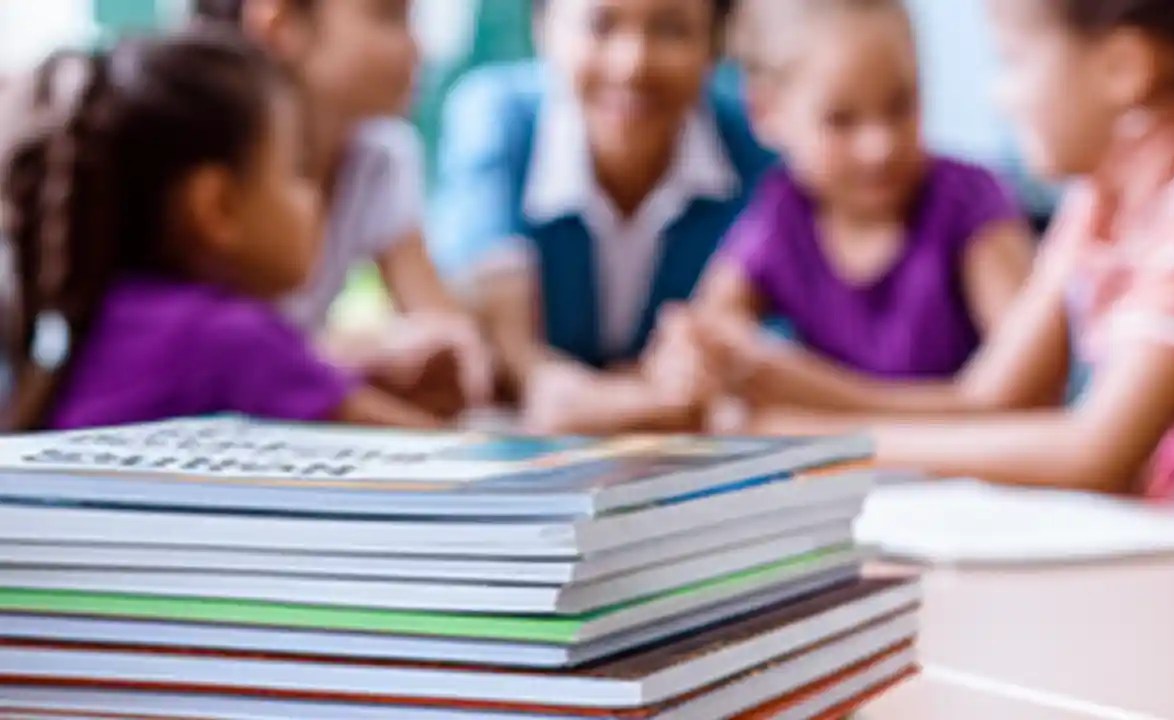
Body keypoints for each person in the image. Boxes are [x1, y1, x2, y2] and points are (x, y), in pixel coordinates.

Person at [680, 0, 1174, 513]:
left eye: (1012, 62)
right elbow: (988, 393)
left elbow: (1093, 454)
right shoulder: (1095, 204)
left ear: (1123, 69)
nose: (1002, 97)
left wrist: (801, 437)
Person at [0, 31, 444, 430]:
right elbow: (434, 459)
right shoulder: (230, 341)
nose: (314, 200)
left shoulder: (109, 319)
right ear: (218, 208)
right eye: (296, 170)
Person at [429, 0, 773, 433]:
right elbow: (503, 339)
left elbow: (763, 340)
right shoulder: (497, 118)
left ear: (716, 43)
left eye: (671, 30)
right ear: (543, 28)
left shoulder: (760, 144)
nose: (632, 64)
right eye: (599, 24)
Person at [669, 0, 1032, 405]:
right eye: (841, 119)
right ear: (765, 112)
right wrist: (696, 354)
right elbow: (708, 331)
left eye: (900, 105)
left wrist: (806, 386)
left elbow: (1027, 391)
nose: (880, 146)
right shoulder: (781, 215)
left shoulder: (970, 204)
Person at [194, 0, 492, 415]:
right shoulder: (204, 168)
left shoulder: (381, 155)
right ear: (280, 24)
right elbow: (222, 356)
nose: (417, 48)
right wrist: (342, 360)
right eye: (388, 17)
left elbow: (451, 340)